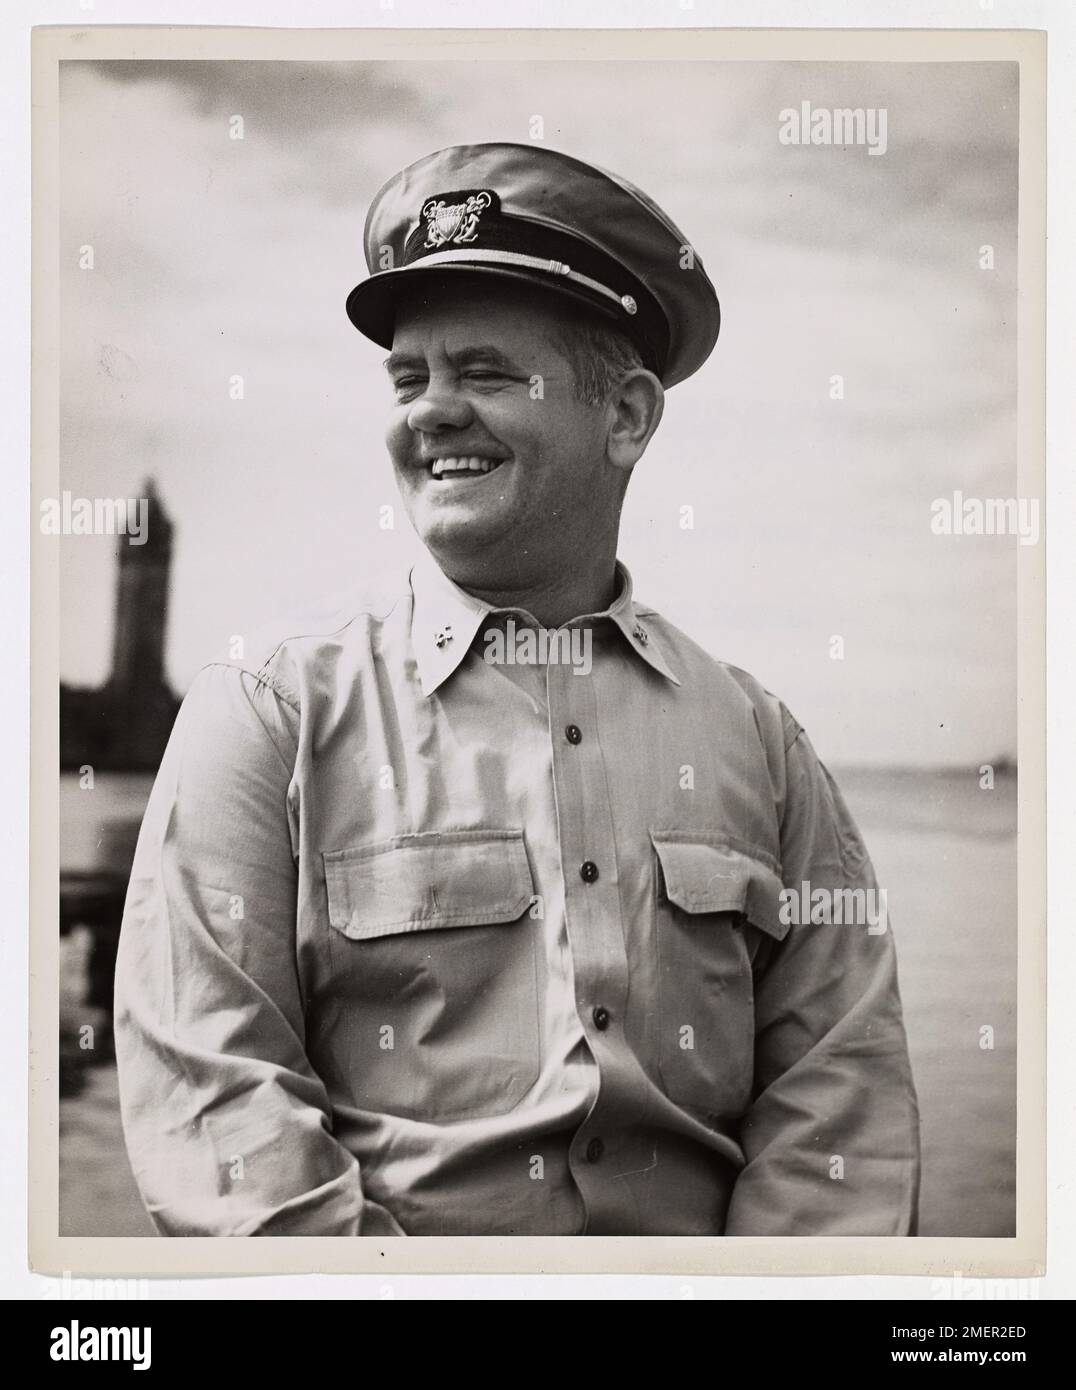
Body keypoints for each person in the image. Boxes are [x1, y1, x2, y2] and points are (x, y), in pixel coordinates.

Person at [114, 142, 920, 1237]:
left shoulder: (761, 744)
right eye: (409, 378)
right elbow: (218, 1108)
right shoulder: (266, 718)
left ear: (625, 417)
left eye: (485, 373)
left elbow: (840, 1106)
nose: (430, 411)